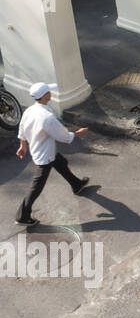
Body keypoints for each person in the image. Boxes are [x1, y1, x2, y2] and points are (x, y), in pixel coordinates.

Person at [15, 83, 90, 224]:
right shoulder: (47, 117)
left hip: (41, 150)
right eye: (49, 91)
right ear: (45, 96)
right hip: (45, 156)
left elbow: (22, 129)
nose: (51, 93)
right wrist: (79, 133)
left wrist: (22, 145)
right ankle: (23, 216)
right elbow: (64, 137)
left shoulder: (30, 110)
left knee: (61, 163)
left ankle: (77, 184)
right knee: (36, 187)